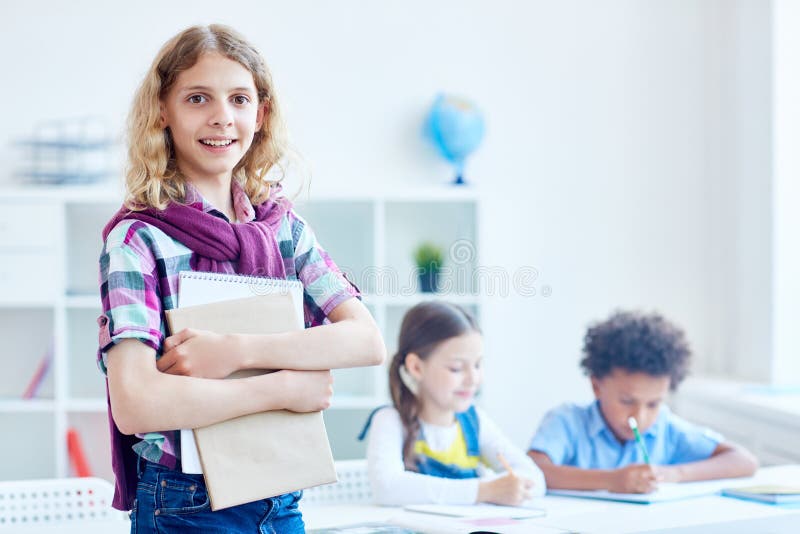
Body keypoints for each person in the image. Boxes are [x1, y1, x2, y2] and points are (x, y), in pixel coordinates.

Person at [97, 24, 385, 533]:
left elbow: (365, 340)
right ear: (162, 111)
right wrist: (282, 389)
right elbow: (137, 405)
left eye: (239, 99)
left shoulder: (284, 228)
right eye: (197, 98)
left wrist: (236, 351)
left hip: (281, 493)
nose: (221, 117)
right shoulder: (138, 239)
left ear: (261, 114)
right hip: (185, 503)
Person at [528, 310, 758, 494]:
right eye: (627, 401)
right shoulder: (567, 421)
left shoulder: (666, 429)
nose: (639, 417)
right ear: (597, 386)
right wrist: (610, 480)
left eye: (653, 404)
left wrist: (674, 474)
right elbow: (533, 469)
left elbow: (744, 461)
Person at [360, 301, 545, 505]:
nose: (473, 379)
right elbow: (387, 488)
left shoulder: (475, 422)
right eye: (456, 368)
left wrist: (508, 487)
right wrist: (485, 490)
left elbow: (535, 478)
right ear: (416, 367)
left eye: (477, 365)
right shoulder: (390, 420)